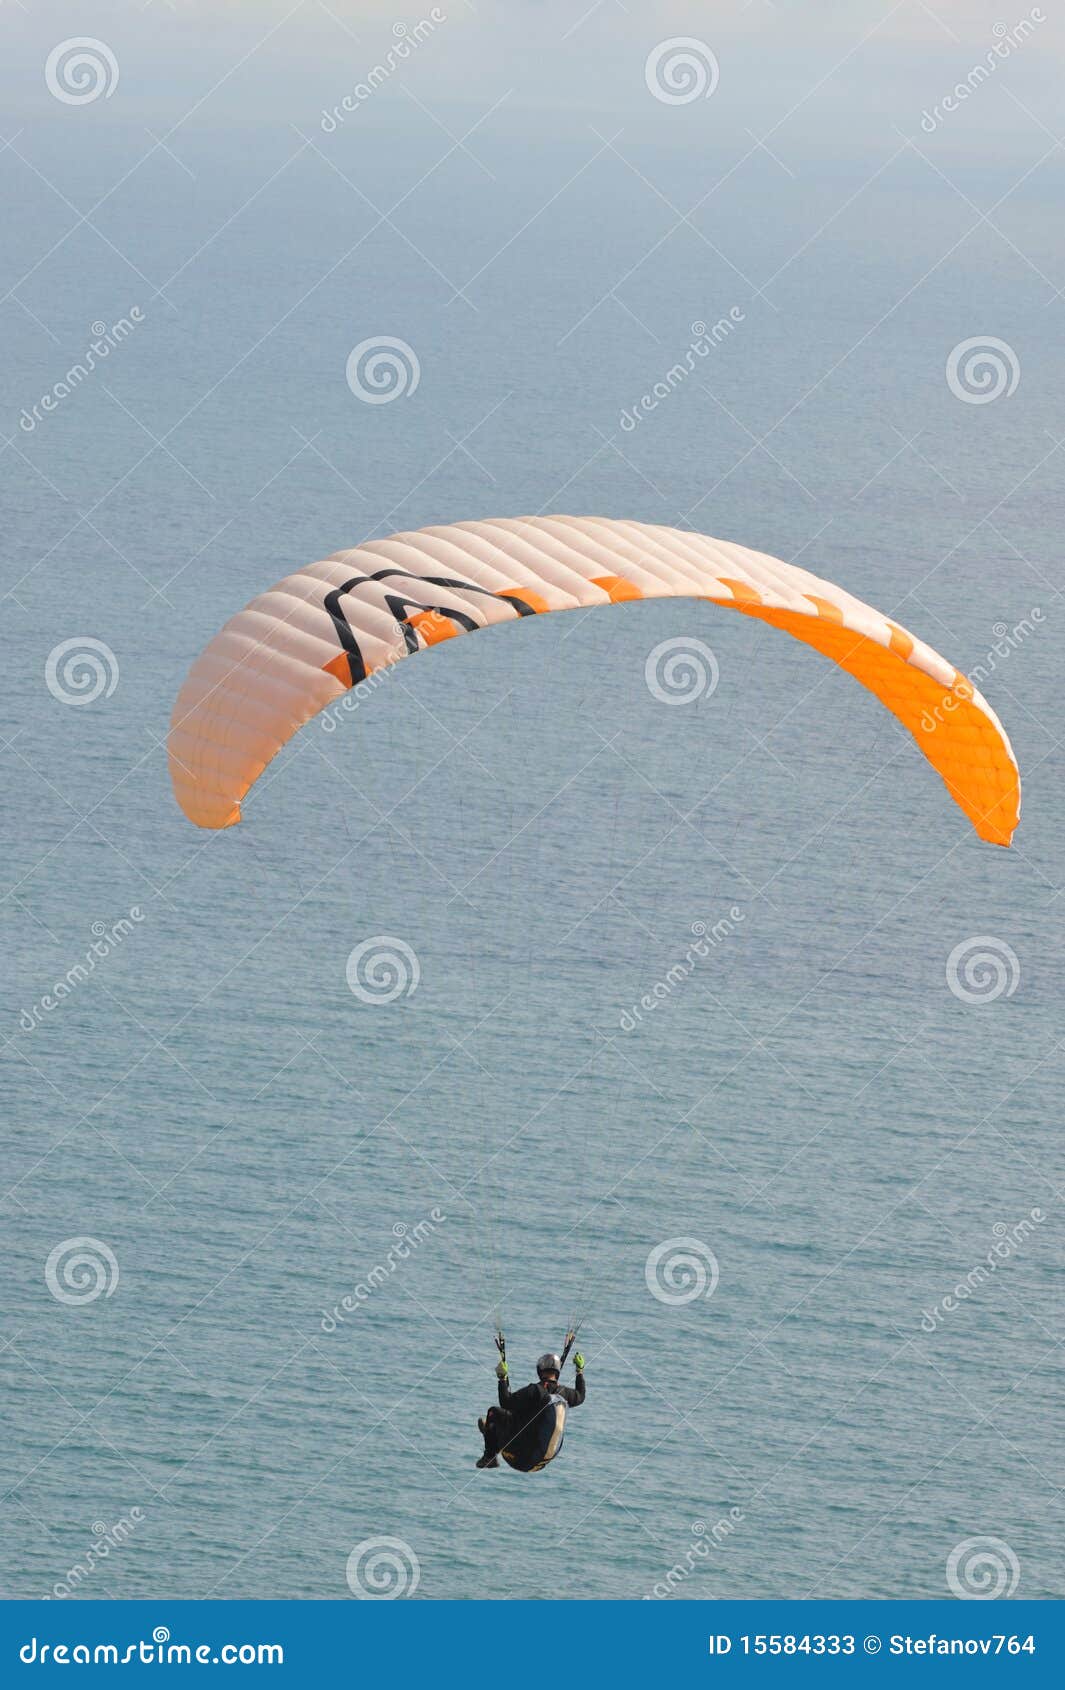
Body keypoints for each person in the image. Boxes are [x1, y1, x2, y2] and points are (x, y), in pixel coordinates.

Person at [476, 1343, 586, 1471]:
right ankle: (492, 1432)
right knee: (511, 1418)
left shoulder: (535, 1390)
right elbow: (581, 1395)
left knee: (493, 1413)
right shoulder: (564, 1394)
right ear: (557, 1373)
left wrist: (502, 1378)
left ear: (540, 1372)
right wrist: (580, 1371)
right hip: (538, 1463)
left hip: (518, 1457)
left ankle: (490, 1456)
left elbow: (505, 1402)